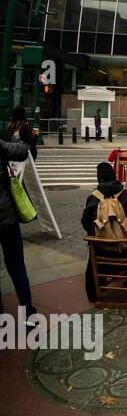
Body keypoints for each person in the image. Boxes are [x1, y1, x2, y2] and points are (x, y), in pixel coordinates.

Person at [82, 161, 127, 304]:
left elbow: (85, 224)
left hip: (103, 248)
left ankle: (93, 293)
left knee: (92, 246)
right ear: (114, 176)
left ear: (99, 178)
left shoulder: (93, 198)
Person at [0, 136, 35, 328]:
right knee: (17, 266)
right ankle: (28, 313)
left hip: (7, 218)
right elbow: (22, 152)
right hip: (7, 217)